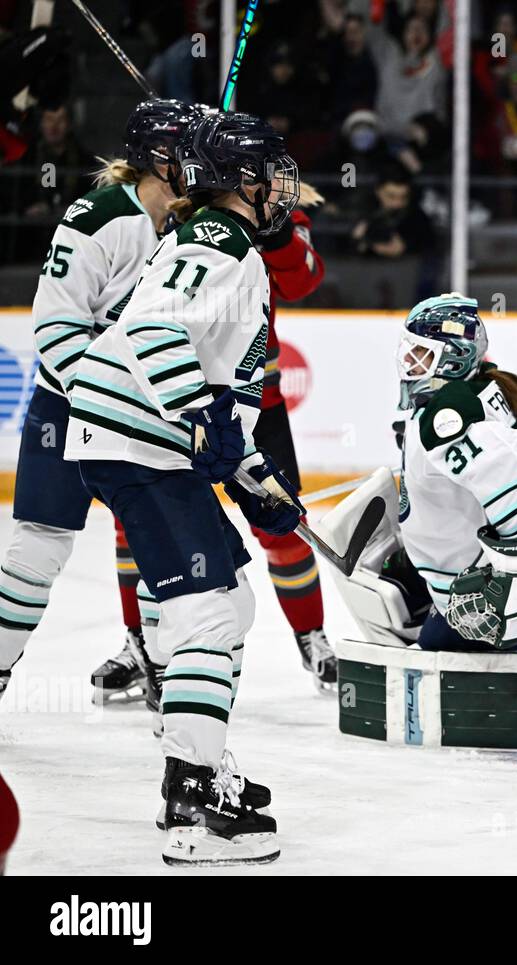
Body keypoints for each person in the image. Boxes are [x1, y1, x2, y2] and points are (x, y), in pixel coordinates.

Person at [65, 111, 303, 866]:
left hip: (147, 441)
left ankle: (202, 764)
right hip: (139, 442)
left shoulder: (223, 244)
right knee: (207, 613)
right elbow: (155, 333)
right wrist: (199, 416)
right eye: (271, 174)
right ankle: (191, 796)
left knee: (232, 599)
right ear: (241, 181)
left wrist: (256, 480)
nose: (284, 188)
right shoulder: (220, 241)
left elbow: (224, 390)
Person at [92, 187, 338, 697]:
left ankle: (311, 636)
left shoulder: (277, 214)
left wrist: (277, 230)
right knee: (143, 526)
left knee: (279, 518)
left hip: (253, 403)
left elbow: (303, 280)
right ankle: (142, 643)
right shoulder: (181, 216)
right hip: (172, 397)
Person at [0, 99, 194, 703]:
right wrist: (104, 399)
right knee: (39, 544)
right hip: (70, 407)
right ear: (157, 161)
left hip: (146, 410)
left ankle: (160, 665)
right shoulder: (99, 218)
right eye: (187, 153)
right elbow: (56, 326)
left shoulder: (194, 227)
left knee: (163, 543)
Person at [394, 293, 517, 652]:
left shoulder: (446, 418)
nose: (408, 362)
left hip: (474, 599)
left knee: (428, 651)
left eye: (420, 353)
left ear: (452, 358)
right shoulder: (481, 389)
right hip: (458, 576)